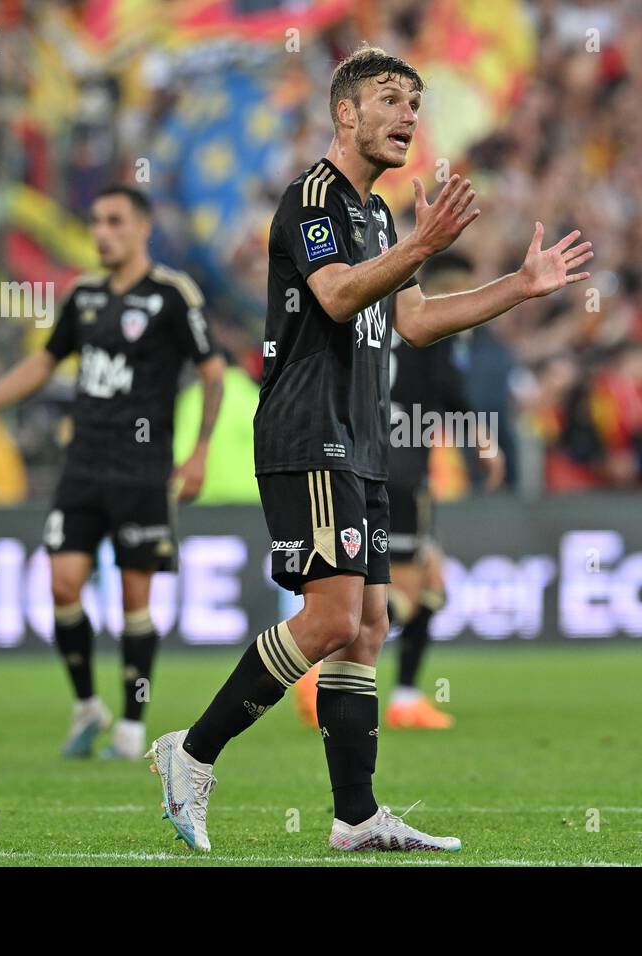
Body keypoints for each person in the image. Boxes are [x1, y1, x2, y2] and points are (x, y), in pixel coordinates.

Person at [145, 45, 592, 853]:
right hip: (307, 429)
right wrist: (422, 247)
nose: (408, 116)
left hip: (362, 439)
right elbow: (338, 293)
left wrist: (517, 289)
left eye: (416, 104)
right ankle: (193, 751)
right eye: (392, 99)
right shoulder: (310, 199)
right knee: (330, 618)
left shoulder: (378, 216)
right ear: (345, 113)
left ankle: (355, 815)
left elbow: (412, 321)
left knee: (369, 625)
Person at [0, 185, 226, 760]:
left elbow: (213, 372)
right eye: (95, 221)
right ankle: (88, 704)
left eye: (114, 221)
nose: (101, 232)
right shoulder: (84, 295)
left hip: (143, 470)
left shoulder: (173, 295)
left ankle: (132, 725)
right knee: (61, 582)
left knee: (132, 598)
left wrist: (199, 453)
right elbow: (43, 364)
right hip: (84, 463)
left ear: (142, 229)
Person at [292, 253, 505, 731]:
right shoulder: (428, 325)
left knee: (431, 587)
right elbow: (450, 391)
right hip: (402, 474)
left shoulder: (364, 315)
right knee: (403, 595)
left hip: (360, 464)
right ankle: (313, 665)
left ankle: (406, 697)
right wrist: (485, 442)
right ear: (452, 286)